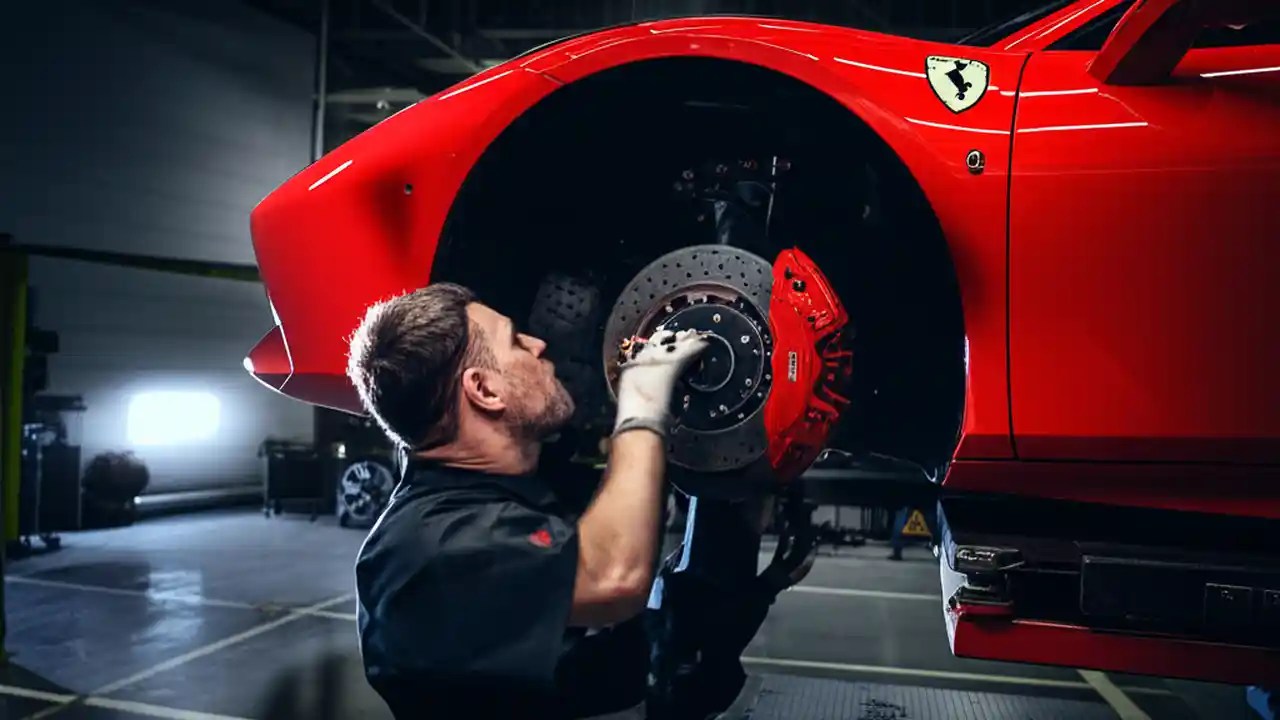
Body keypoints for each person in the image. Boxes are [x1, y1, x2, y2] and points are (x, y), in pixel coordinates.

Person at [345, 282, 712, 719]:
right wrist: (642, 401)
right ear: (485, 389)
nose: (538, 344)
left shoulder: (488, 492)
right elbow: (612, 576)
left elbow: (602, 664)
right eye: (516, 341)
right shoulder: (433, 547)